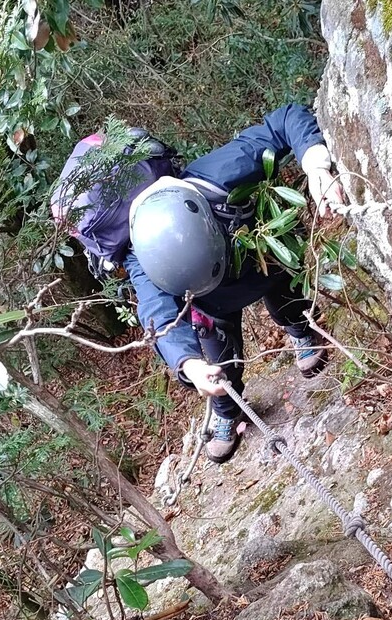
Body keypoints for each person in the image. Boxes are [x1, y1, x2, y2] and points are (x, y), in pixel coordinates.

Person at [126, 103, 345, 463]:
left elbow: (285, 119)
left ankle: (300, 329)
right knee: (217, 370)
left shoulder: (220, 173)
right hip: (211, 306)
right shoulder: (144, 255)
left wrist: (316, 166)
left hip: (263, 256)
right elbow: (159, 317)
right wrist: (190, 365)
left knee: (285, 293)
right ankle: (228, 412)